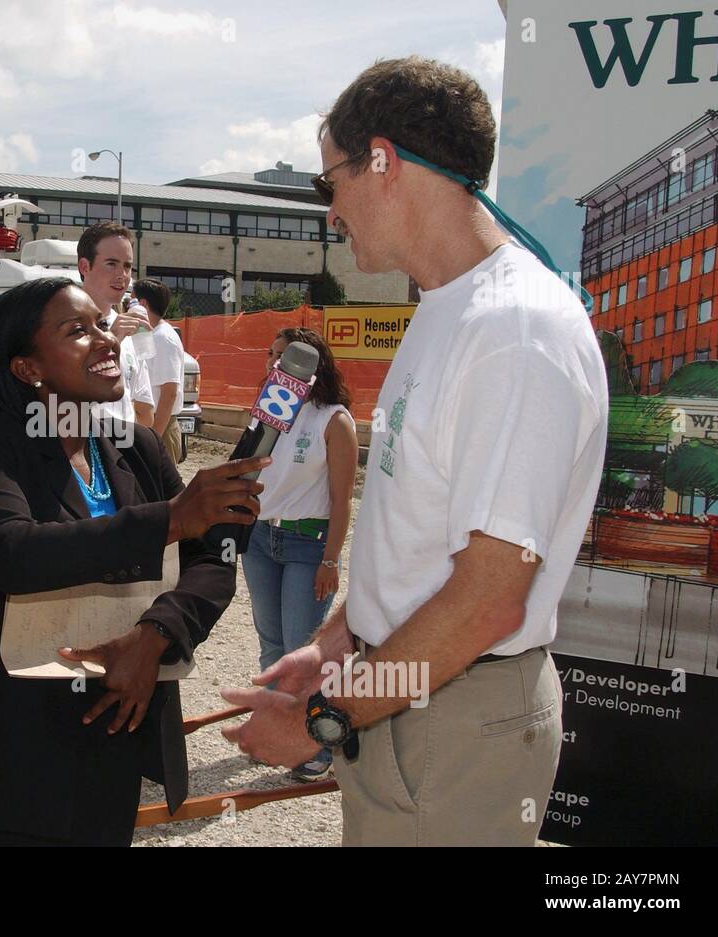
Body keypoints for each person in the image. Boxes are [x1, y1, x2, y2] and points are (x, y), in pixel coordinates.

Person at [221, 57, 609, 847]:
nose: (331, 214)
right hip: (419, 699)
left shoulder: (513, 332)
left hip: (455, 716)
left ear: (382, 161)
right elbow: (417, 543)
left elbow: (489, 599)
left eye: (331, 182)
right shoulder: (452, 308)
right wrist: (330, 646)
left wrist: (322, 719)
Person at [0, 277, 267, 846]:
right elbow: (12, 553)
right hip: (6, 746)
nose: (105, 340)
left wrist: (154, 637)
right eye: (78, 331)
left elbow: (212, 562)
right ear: (28, 368)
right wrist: (171, 518)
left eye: (102, 324)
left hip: (112, 738)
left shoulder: (136, 446)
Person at [241, 328, 356, 782]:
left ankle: (318, 744)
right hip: (260, 540)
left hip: (309, 544)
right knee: (271, 645)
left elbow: (343, 498)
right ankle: (277, 733)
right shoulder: (269, 411)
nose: (273, 365)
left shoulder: (335, 419)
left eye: (283, 356)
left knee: (302, 652)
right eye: (270, 356)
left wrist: (331, 559)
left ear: (313, 364)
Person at [77, 221, 154, 430]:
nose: (122, 275)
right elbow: (61, 395)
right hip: (81, 452)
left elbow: (144, 408)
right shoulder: (62, 324)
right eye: (111, 264)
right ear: (85, 266)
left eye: (127, 266)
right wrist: (111, 339)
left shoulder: (129, 328)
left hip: (121, 455)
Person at [132, 278, 186, 460]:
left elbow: (169, 393)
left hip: (161, 426)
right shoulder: (151, 335)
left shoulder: (163, 339)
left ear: (142, 304)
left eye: (129, 301)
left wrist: (153, 439)